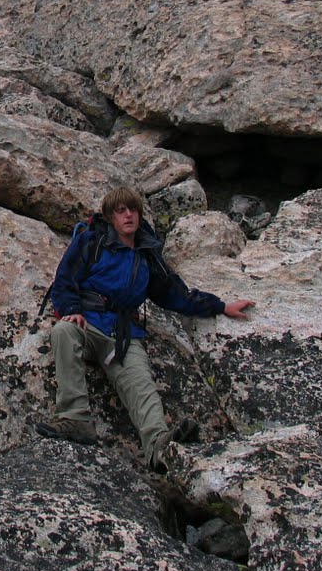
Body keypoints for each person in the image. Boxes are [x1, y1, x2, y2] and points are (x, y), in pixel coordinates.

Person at [36, 186, 255, 473]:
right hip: (88, 322)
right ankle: (75, 418)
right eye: (120, 211)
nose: (128, 215)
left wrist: (220, 306)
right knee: (63, 332)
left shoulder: (147, 255)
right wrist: (72, 311)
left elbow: (175, 295)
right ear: (110, 217)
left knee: (141, 384)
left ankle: (159, 448)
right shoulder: (92, 242)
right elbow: (65, 279)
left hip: (124, 334)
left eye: (132, 209)